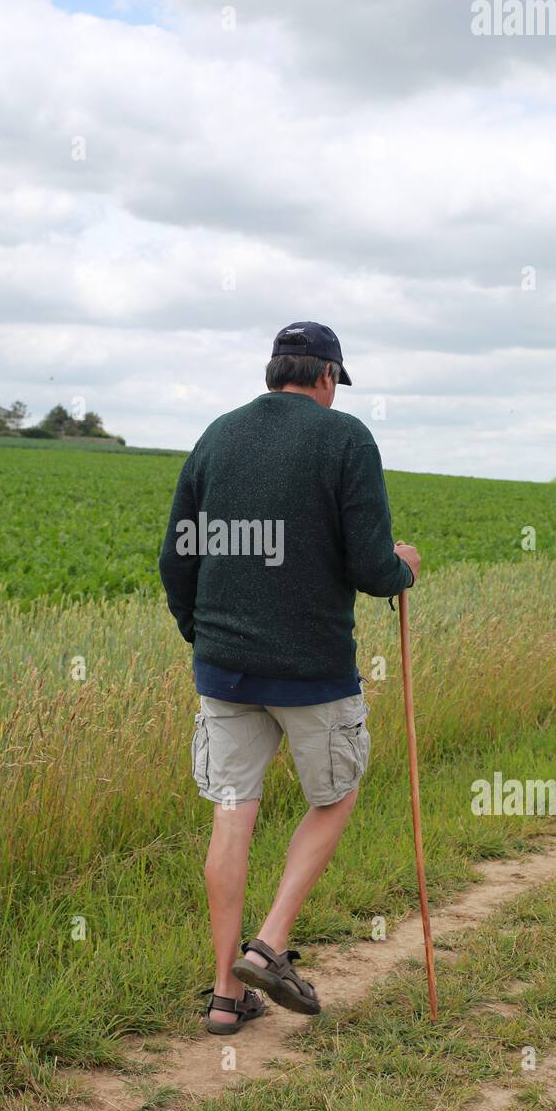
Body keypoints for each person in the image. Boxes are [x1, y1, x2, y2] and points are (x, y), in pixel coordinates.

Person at [159, 322, 420, 1033]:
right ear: (328, 377)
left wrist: (202, 633)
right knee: (334, 795)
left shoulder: (217, 434)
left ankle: (223, 997)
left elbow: (175, 558)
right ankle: (269, 946)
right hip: (312, 672)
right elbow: (372, 569)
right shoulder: (345, 439)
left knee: (232, 808)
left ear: (275, 371)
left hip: (225, 668)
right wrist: (405, 568)